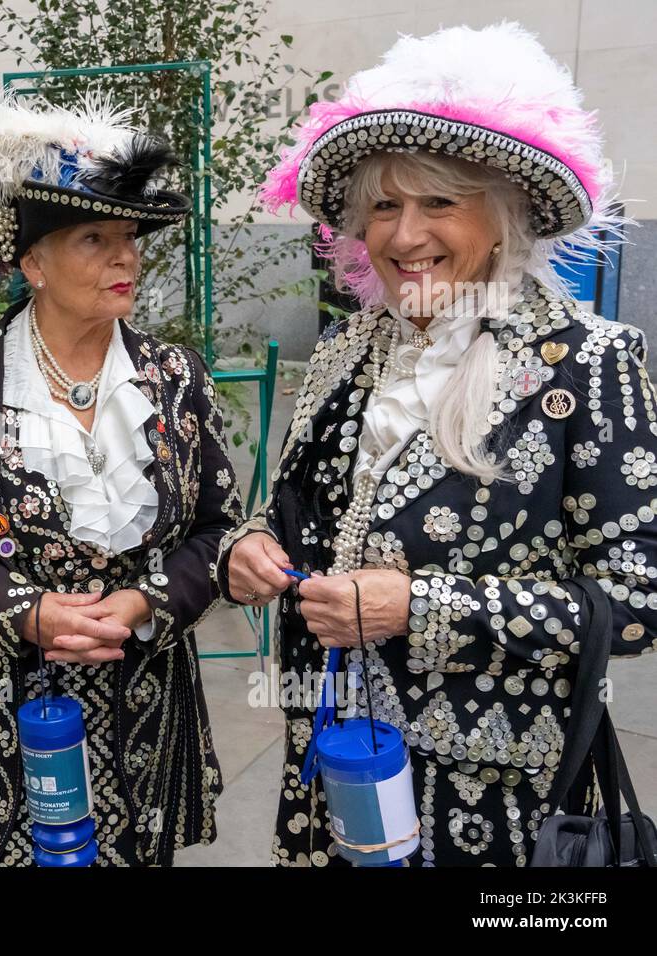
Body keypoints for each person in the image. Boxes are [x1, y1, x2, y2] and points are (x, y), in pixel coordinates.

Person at [225, 22, 657, 866]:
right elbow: (289, 508)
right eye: (384, 205)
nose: (404, 235)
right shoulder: (349, 348)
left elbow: (637, 600)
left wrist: (415, 606)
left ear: (501, 219)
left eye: (439, 203)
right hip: (334, 761)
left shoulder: (590, 361)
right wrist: (250, 546)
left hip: (496, 802)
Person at [0, 96, 244, 866]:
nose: (127, 258)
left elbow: (222, 530)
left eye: (130, 238)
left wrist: (150, 599)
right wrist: (23, 608)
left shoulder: (176, 377)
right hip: (2, 717)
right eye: (95, 238)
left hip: (146, 706)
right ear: (33, 263)